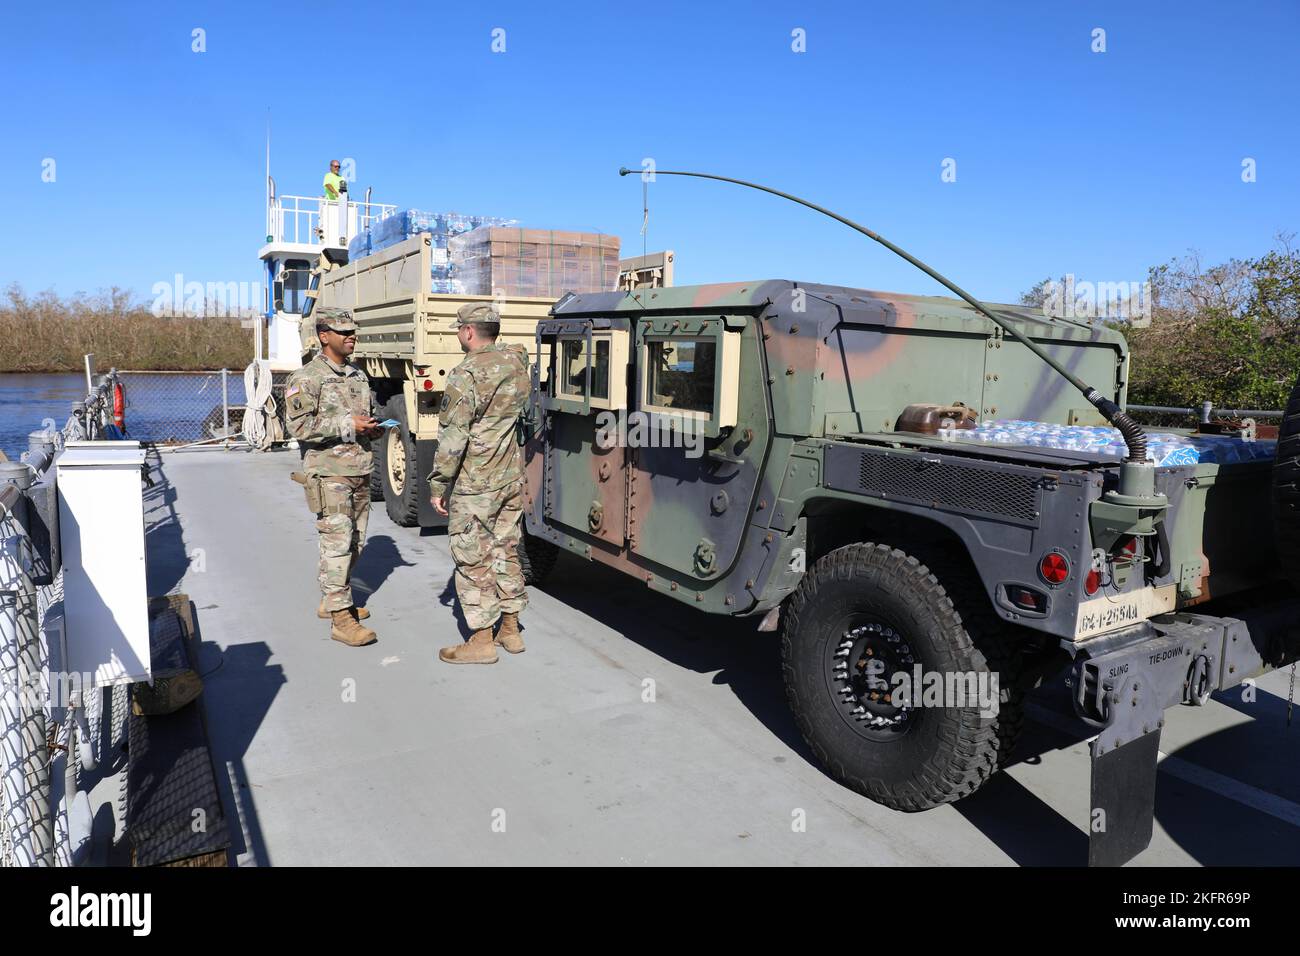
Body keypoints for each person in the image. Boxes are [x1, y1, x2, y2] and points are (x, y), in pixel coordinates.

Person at [429, 302, 531, 664]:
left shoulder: (465, 374)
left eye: (459, 329)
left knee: (473, 557)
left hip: (476, 482)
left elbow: (454, 439)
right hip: (509, 477)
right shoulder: (517, 364)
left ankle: (482, 640)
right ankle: (511, 629)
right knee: (506, 550)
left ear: (468, 332)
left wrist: (439, 484)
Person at [285, 308, 381, 646]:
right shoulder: (306, 378)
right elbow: (297, 427)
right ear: (324, 336)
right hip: (329, 473)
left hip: (359, 469)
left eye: (353, 331)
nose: (351, 336)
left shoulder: (357, 375)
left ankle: (332, 599)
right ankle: (341, 619)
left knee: (356, 542)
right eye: (343, 332)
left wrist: (371, 428)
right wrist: (347, 425)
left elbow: (360, 419)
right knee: (337, 543)